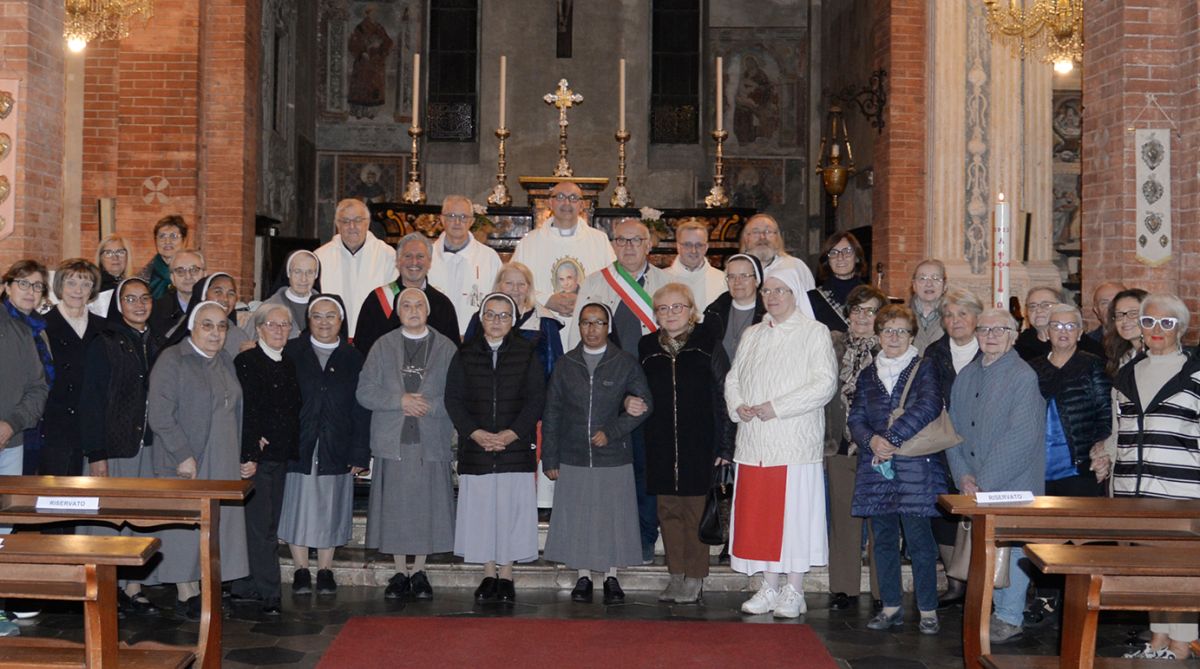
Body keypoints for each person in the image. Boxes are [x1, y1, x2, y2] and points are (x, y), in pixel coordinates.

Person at [725, 266, 838, 619]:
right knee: (761, 519)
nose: (771, 297)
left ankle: (795, 588)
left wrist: (776, 408)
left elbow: (824, 384)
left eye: (780, 291)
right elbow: (733, 377)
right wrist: (737, 405)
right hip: (755, 442)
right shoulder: (752, 334)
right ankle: (769, 585)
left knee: (794, 519)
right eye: (767, 291)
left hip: (793, 443)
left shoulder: (814, 332)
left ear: (795, 294)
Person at [569, 217, 671, 562]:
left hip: (650, 392)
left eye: (636, 240)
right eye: (622, 240)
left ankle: (644, 537)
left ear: (649, 244)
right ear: (613, 244)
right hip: (606, 392)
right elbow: (576, 338)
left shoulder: (666, 284)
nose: (628, 247)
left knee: (645, 467)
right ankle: (603, 535)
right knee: (609, 469)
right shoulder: (597, 282)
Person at [947, 308, 1046, 644]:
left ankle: (1009, 615)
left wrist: (984, 481)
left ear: (1014, 335)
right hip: (974, 483)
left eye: (999, 329)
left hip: (1013, 481)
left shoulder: (1022, 376)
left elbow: (1022, 435)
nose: (990, 335)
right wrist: (963, 475)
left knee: (1012, 549)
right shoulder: (967, 374)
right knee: (985, 549)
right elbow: (953, 431)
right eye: (984, 329)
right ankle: (987, 608)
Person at [543, 302, 653, 604]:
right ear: (579, 327)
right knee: (579, 517)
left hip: (613, 457)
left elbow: (645, 404)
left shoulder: (625, 362)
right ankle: (582, 577)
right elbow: (551, 412)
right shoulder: (566, 364)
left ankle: (612, 577)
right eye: (586, 323)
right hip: (574, 455)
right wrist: (549, 457)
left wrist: (613, 431)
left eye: (599, 323)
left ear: (608, 327)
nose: (592, 329)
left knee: (612, 519)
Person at [147, 301, 251, 620]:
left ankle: (209, 586)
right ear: (192, 326)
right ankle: (186, 591)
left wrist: (241, 456)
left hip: (223, 456)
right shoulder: (173, 359)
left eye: (221, 326)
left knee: (218, 527)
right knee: (185, 529)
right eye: (207, 325)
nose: (215, 332)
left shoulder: (225, 361)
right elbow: (161, 414)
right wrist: (182, 454)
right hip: (189, 458)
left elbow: (236, 411)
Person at [1111, 294, 1200, 660]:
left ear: (1180, 328)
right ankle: (1159, 639)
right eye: (1149, 322)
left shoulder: (1194, 373)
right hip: (1134, 489)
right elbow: (1118, 433)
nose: (1157, 330)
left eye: (1167, 322)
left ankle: (1182, 642)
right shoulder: (1127, 373)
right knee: (1150, 568)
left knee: (1178, 569)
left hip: (1181, 489)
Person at [849, 304, 947, 635]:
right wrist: (871, 441)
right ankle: (890, 607)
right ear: (877, 335)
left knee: (920, 542)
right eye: (887, 330)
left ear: (911, 336)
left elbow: (929, 405)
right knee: (884, 541)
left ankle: (928, 609)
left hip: (916, 467)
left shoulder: (924, 367)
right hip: (876, 468)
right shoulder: (867, 375)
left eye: (901, 330)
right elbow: (855, 417)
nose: (894, 336)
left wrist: (890, 437)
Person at [444, 293, 546, 605]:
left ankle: (508, 574)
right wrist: (475, 433)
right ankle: (489, 573)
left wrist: (511, 434)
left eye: (503, 315)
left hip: (514, 449)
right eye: (490, 314)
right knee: (481, 514)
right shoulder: (464, 354)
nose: (496, 321)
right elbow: (454, 400)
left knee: (511, 514)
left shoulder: (527, 353)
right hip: (477, 450)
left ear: (512, 320)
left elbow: (536, 400)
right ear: (481, 317)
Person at [358, 288, 457, 601]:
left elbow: (458, 395)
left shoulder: (446, 347)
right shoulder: (382, 346)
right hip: (395, 440)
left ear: (427, 311)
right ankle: (401, 571)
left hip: (430, 440)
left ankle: (421, 572)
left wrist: (428, 405)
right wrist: (398, 400)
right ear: (397, 312)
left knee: (426, 508)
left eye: (418, 305)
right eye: (406, 306)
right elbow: (365, 391)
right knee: (397, 510)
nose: (413, 310)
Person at [639, 285, 733, 604]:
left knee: (695, 512)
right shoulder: (646, 346)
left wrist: (725, 446)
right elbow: (637, 389)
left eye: (677, 308)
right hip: (661, 441)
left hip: (700, 441)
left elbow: (724, 396)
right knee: (668, 512)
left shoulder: (708, 344)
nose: (669, 314)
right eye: (662, 309)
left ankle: (695, 576)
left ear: (691, 310)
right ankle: (675, 574)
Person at [1022, 303, 1111, 628]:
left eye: (1070, 326)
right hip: (1039, 467)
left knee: (1082, 539)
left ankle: (1083, 602)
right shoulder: (1031, 368)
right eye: (1056, 326)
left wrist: (1101, 450)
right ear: (1045, 332)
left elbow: (1105, 414)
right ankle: (1046, 598)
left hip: (1078, 466)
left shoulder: (1093, 366)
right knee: (1046, 539)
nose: (1062, 331)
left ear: (1080, 331)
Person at [78, 277, 162, 616]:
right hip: (113, 447)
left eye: (144, 298)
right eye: (130, 299)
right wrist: (96, 454)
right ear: (119, 305)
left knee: (137, 519)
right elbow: (91, 400)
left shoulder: (157, 342)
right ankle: (103, 589)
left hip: (146, 445)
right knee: (108, 522)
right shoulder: (105, 341)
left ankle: (133, 588)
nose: (139, 305)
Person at [279, 295, 370, 597]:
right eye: (317, 316)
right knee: (297, 506)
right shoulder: (290, 352)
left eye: (331, 316)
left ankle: (326, 569)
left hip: (337, 443)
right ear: (308, 321)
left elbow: (362, 409)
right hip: (299, 442)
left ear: (341, 321)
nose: (324, 322)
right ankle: (302, 569)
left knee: (331, 508)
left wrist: (359, 451)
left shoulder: (353, 358)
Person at [231, 305, 302, 615]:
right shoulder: (246, 361)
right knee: (262, 527)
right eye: (272, 324)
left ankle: (245, 585)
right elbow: (246, 410)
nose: (279, 329)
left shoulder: (288, 362)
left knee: (265, 523)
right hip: (257, 459)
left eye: (285, 325)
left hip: (279, 455)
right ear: (258, 329)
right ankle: (269, 592)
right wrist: (248, 454)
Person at [918, 286, 984, 608]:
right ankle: (955, 581)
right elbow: (927, 394)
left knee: (977, 509)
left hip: (982, 440)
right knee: (944, 508)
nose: (955, 320)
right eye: (949, 315)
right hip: (944, 441)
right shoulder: (934, 352)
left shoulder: (988, 348)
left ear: (976, 318)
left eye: (963, 314)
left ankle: (978, 578)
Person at [823, 284, 887, 612]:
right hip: (839, 443)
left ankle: (883, 590)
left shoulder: (891, 348)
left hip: (878, 447)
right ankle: (844, 589)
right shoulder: (831, 344)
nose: (862, 317)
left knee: (880, 522)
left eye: (871, 310)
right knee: (844, 519)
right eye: (857, 310)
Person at [510, 181, 615, 320]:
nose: (567, 203)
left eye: (573, 198)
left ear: (582, 205)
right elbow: (511, 285)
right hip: (542, 326)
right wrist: (546, 300)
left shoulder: (599, 240)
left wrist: (585, 300)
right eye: (560, 197)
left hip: (589, 328)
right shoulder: (529, 243)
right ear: (550, 202)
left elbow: (613, 284)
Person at [40, 259, 106, 478]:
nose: (78, 290)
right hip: (56, 428)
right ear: (59, 286)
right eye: (71, 283)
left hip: (94, 427)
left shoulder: (103, 328)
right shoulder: (43, 326)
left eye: (86, 284)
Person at [353, 232, 459, 354]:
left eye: (420, 256)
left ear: (430, 262)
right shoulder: (377, 300)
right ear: (397, 261)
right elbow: (363, 351)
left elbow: (452, 355)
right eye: (408, 256)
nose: (414, 262)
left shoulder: (442, 305)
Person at [314, 198, 398, 339]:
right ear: (337, 225)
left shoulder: (387, 255)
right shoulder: (320, 257)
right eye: (345, 221)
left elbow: (395, 296)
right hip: (331, 338)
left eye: (358, 220)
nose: (352, 226)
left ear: (368, 222)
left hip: (375, 335)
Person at [463, 262, 564, 378]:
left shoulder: (545, 322)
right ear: (498, 285)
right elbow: (466, 358)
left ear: (529, 288)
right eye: (509, 283)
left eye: (521, 284)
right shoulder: (480, 318)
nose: (515, 289)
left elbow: (556, 369)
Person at [2, 260, 53, 476]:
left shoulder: (37, 329)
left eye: (37, 285)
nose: (30, 291)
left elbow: (39, 386)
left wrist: (10, 426)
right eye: (23, 283)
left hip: (15, 435)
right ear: (6, 287)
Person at [427, 195, 502, 338]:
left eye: (463, 217)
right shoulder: (426, 257)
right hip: (434, 340)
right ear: (441, 219)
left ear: (472, 221)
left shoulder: (489, 258)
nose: (457, 222)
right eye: (451, 216)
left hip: (475, 342)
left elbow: (499, 301)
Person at [738, 213, 815, 317]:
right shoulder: (736, 270)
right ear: (745, 238)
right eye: (755, 232)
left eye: (768, 231)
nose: (762, 237)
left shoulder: (795, 266)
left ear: (777, 238)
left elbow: (811, 305)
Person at [703, 253, 766, 363]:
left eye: (744, 276)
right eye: (732, 276)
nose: (737, 282)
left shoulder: (768, 315)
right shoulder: (714, 313)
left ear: (757, 280)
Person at [1015, 285, 1104, 361]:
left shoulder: (1086, 346)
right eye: (1032, 306)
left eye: (1046, 305)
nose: (1038, 310)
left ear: (1061, 307)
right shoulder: (1019, 346)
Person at [249, 250, 320, 340]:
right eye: (297, 272)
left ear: (316, 275)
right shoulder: (268, 306)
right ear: (288, 273)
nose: (303, 279)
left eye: (310, 272)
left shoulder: (325, 307)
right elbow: (246, 340)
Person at [176, 272, 252, 355]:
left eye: (231, 293)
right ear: (203, 296)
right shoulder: (178, 346)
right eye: (218, 292)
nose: (225, 299)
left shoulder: (239, 336)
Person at [807, 231, 867, 332]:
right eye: (833, 253)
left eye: (847, 251)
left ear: (857, 257)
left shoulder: (871, 297)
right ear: (828, 260)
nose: (840, 257)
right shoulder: (812, 299)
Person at [663, 219, 725, 310]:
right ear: (678, 246)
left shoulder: (722, 279)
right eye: (687, 245)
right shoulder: (661, 278)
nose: (693, 250)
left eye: (699, 245)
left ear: (706, 247)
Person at [149, 249, 205, 343]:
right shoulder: (156, 309)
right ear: (172, 278)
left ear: (204, 274)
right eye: (180, 271)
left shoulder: (214, 306)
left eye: (194, 270)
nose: (188, 276)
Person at [1102, 288, 1149, 379]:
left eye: (1133, 313)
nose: (1124, 320)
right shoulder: (1122, 355)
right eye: (1119, 315)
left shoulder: (1158, 355)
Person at [139, 214, 187, 299]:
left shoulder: (193, 274)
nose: (167, 241)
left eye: (173, 236)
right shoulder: (142, 277)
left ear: (184, 241)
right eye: (162, 236)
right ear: (155, 241)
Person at [909, 259, 947, 353]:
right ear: (914, 285)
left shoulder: (953, 318)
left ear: (945, 286)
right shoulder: (902, 316)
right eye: (923, 278)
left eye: (935, 278)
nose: (929, 284)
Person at [91, 234, 131, 317]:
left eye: (120, 252)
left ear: (127, 256)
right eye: (108, 253)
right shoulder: (96, 287)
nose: (115, 257)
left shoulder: (132, 284)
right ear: (100, 258)